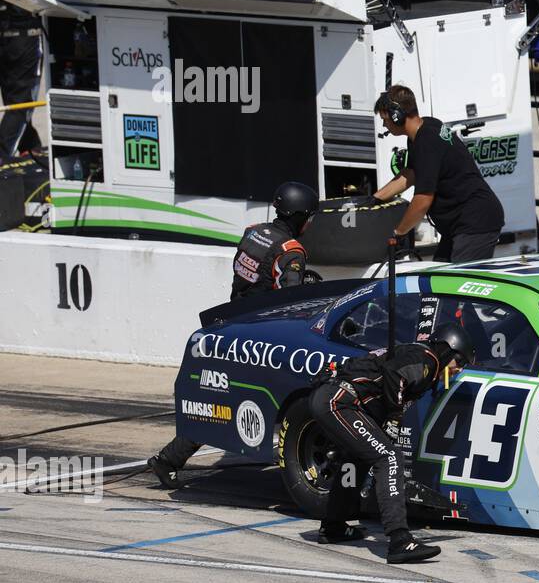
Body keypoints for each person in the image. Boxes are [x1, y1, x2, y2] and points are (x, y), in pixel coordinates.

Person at [147, 182, 319, 488]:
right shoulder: (291, 250)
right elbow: (292, 302)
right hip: (263, 337)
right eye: (310, 216)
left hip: (232, 323)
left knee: (220, 401)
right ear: (300, 216)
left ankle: (168, 460)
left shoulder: (253, 232)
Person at [310, 325, 475, 563]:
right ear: (446, 350)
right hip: (338, 401)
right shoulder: (427, 360)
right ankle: (399, 540)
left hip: (338, 399)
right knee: (389, 457)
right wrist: (394, 417)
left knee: (359, 457)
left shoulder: (418, 355)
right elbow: (393, 373)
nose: (458, 368)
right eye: (458, 361)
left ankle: (333, 525)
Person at [371, 85, 505, 262]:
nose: (384, 125)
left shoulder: (427, 141)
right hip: (460, 224)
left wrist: (398, 233)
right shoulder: (425, 128)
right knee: (437, 276)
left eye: (385, 119)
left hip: (475, 221)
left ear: (397, 116)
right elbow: (411, 173)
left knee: (457, 279)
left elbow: (422, 201)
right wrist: (375, 198)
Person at [0, 5, 42, 159]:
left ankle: (29, 144)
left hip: (13, 34)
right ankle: (4, 154)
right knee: (21, 103)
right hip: (23, 36)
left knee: (15, 100)